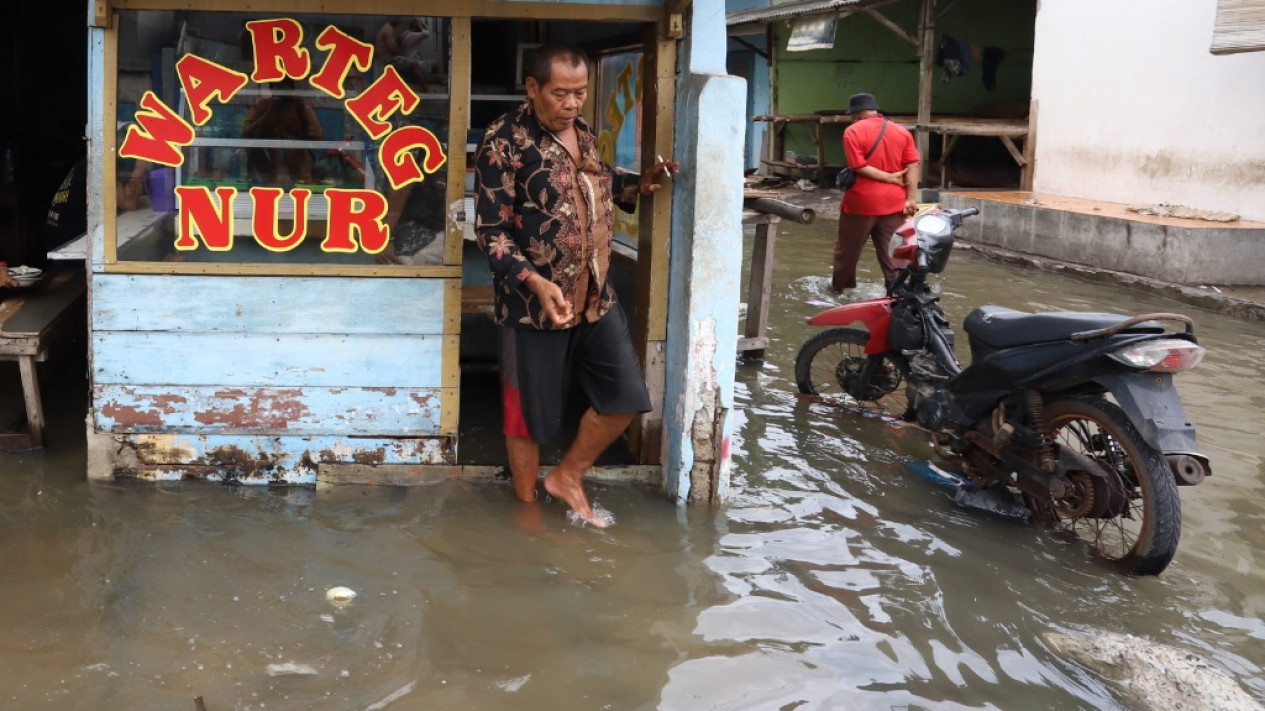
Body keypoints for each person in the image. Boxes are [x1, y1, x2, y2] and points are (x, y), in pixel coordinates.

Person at [473, 44, 677, 527]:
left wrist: (637, 185)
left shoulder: (583, 134)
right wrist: (535, 282)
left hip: (595, 299)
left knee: (625, 399)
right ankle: (526, 516)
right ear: (533, 88)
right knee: (528, 420)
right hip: (532, 308)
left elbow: (596, 182)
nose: (572, 103)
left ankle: (567, 476)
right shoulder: (503, 140)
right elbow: (490, 232)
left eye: (580, 93)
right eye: (561, 93)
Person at [833, 92, 921, 293]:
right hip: (895, 202)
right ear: (875, 110)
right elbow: (913, 165)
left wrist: (888, 177)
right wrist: (911, 199)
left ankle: (840, 292)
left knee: (847, 252)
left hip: (861, 203)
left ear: (855, 114)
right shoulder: (901, 132)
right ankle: (897, 292)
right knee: (894, 253)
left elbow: (858, 166)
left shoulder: (852, 131)